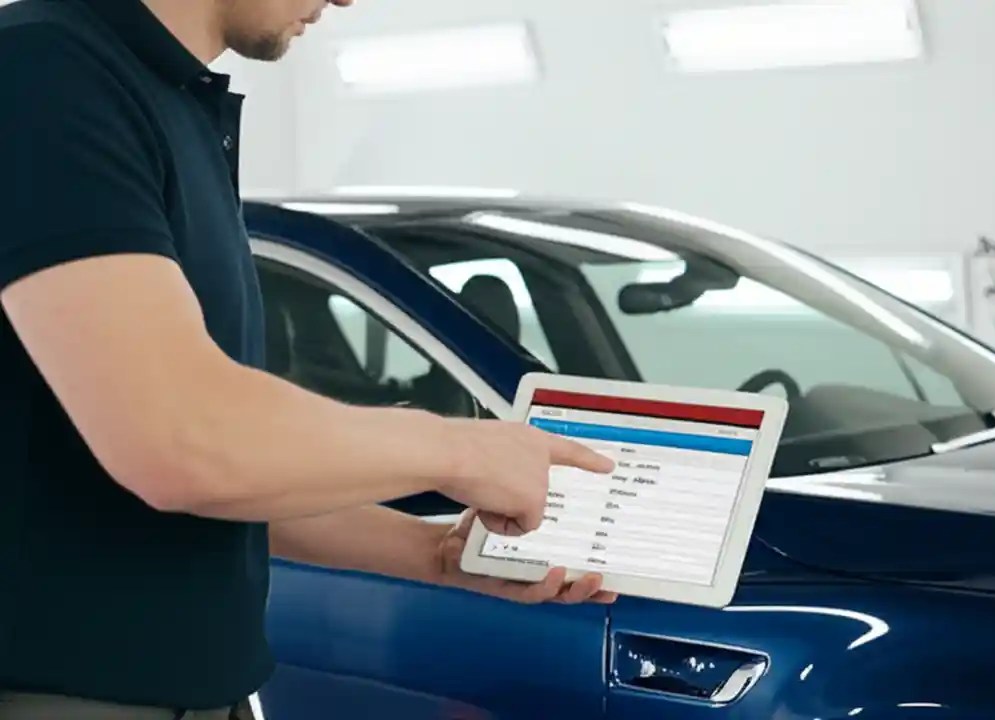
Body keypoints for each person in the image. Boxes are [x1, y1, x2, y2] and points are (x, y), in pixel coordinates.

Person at [0, 0, 617, 717]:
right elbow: (182, 440)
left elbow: (233, 466)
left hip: (205, 692)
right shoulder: (44, 74)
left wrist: (433, 553)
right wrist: (457, 448)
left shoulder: (162, 97)